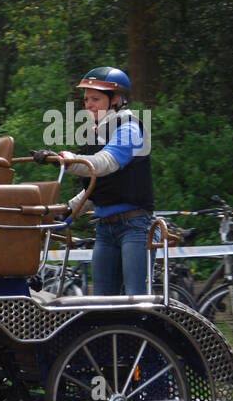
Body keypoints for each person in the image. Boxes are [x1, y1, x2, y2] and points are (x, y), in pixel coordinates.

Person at [37, 67, 152, 296]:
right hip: (105, 228)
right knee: (101, 300)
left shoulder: (129, 128)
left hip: (135, 228)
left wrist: (65, 161)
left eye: (96, 99)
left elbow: (103, 164)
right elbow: (96, 186)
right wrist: (69, 209)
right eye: (86, 99)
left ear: (116, 100)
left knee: (135, 299)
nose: (88, 105)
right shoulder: (96, 134)